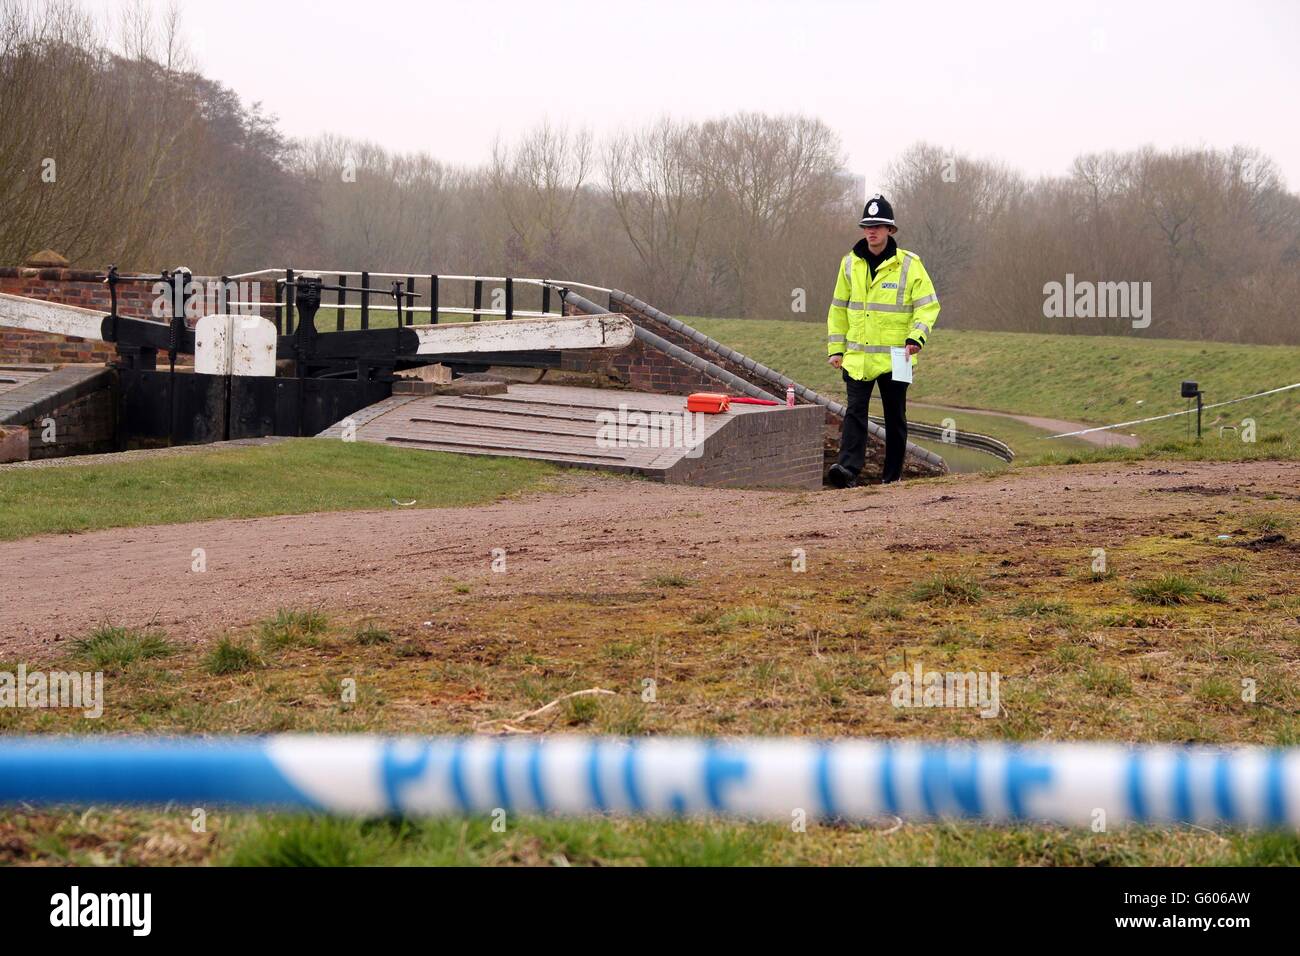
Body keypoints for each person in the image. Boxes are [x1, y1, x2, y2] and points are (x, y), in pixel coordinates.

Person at [825, 194, 940, 487]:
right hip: (859, 356)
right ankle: (848, 471)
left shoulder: (910, 265)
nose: (871, 231)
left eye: (878, 226)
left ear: (891, 230)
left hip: (898, 356)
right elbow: (838, 308)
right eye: (867, 226)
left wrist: (917, 337)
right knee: (854, 414)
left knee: (895, 418)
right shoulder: (849, 263)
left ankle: (892, 476)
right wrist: (836, 349)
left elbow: (928, 306)